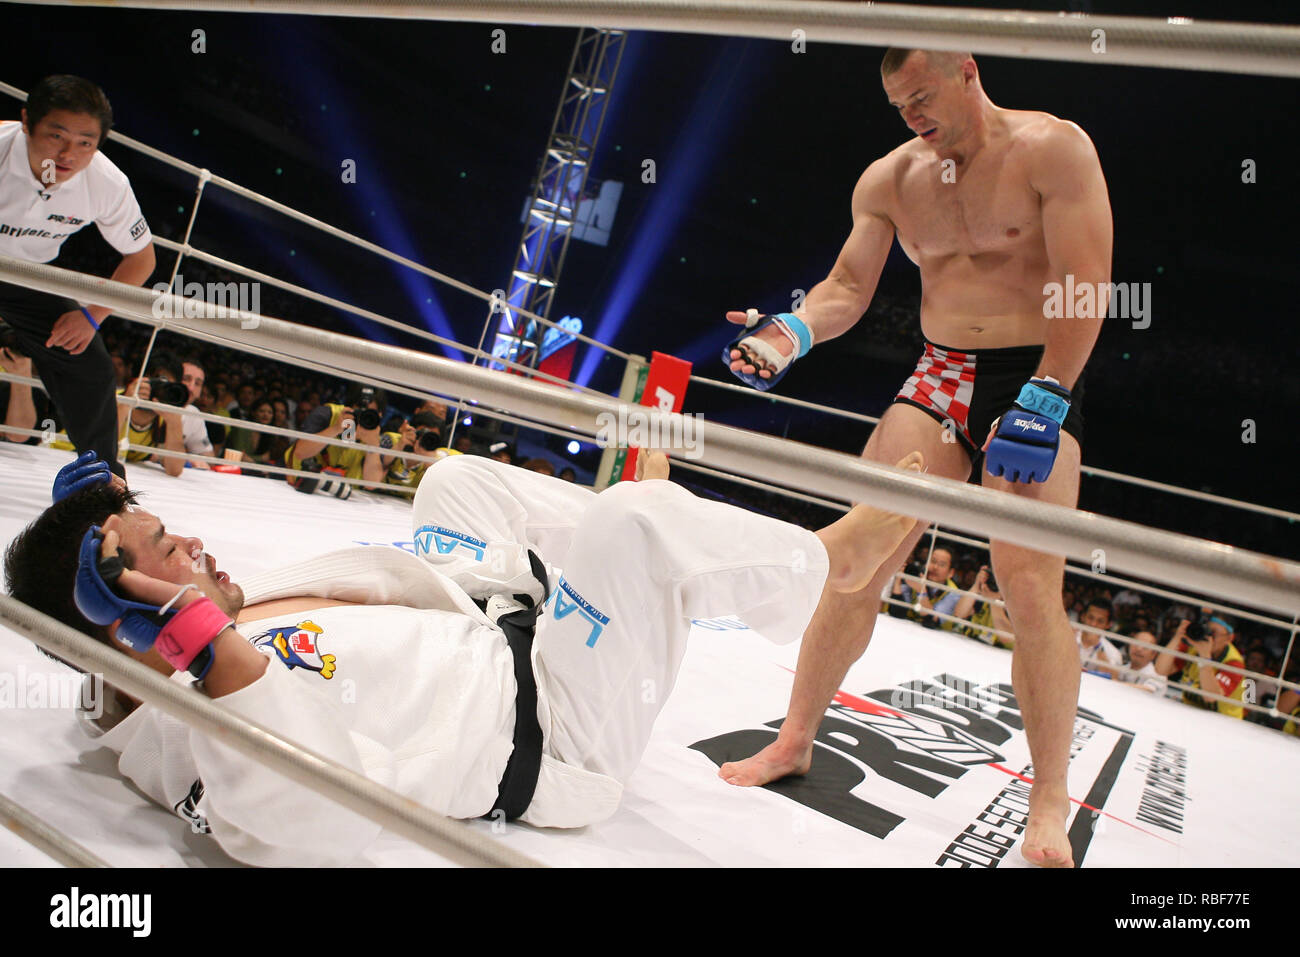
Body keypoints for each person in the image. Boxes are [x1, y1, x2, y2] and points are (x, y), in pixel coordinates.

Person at [3, 450, 925, 866]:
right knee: (629, 520)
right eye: (170, 553)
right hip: (550, 724)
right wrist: (209, 650)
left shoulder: (183, 645)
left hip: (487, 618)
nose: (197, 543)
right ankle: (827, 563)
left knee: (454, 478)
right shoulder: (184, 737)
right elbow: (297, 835)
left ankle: (594, 577)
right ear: (130, 623)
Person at [720, 48, 1112, 867]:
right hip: (940, 374)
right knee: (860, 558)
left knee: (1029, 582)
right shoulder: (890, 179)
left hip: (1036, 370)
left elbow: (1086, 284)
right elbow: (844, 289)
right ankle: (795, 737)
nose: (913, 118)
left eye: (923, 97)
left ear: (966, 70)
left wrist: (1047, 397)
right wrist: (787, 331)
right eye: (900, 105)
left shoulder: (1053, 148)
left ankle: (1048, 800)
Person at [0, 75, 156, 478]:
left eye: (86, 142)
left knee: (89, 364)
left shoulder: (107, 182)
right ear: (26, 122)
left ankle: (102, 483)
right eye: (57, 136)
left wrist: (90, 316)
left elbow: (141, 259)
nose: (70, 153)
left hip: (29, 276)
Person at [285, 383, 388, 492]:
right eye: (360, 411)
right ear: (349, 407)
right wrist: (335, 429)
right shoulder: (328, 414)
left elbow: (372, 483)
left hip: (340, 494)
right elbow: (300, 452)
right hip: (297, 485)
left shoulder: (375, 431)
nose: (363, 417)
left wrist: (372, 446)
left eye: (370, 413)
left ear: (380, 415)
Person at [1154, 615, 1247, 719]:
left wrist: (1205, 658)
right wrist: (1177, 637)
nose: (1209, 637)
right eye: (1208, 631)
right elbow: (1161, 670)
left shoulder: (1234, 663)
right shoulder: (1193, 646)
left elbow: (1211, 697)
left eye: (1214, 634)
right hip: (1190, 711)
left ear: (1229, 638)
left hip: (1222, 721)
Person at [117, 352, 187, 478]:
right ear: (136, 380)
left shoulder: (165, 417)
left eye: (167, 386)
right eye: (157, 382)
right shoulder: (113, 399)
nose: (160, 391)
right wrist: (126, 403)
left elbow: (174, 469)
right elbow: (97, 449)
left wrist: (174, 423)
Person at [887, 544, 961, 630]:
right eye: (933, 561)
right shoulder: (916, 577)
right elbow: (897, 612)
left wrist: (921, 592)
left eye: (941, 564)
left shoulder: (953, 593)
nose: (935, 567)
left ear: (951, 573)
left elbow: (930, 622)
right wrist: (898, 581)